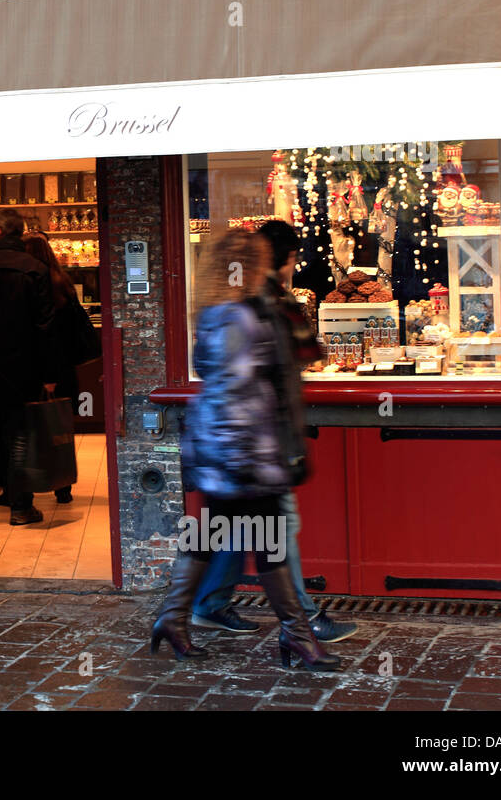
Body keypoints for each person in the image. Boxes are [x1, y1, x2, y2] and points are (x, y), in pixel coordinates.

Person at [151, 229, 339, 671]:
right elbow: (241, 391)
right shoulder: (245, 316)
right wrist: (251, 461)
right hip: (247, 450)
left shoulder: (214, 314)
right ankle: (298, 637)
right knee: (267, 541)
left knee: (210, 535)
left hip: (220, 448)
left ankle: (173, 618)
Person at [190, 220, 357, 643]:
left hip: (228, 451)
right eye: (291, 258)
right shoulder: (261, 307)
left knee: (232, 529)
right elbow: (290, 362)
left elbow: (216, 375)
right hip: (255, 448)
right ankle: (303, 623)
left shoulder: (218, 308)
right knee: (277, 530)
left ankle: (202, 608)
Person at [0, 209, 55, 525]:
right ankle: (20, 506)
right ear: (21, 232)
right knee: (19, 437)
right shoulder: (36, 269)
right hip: (23, 367)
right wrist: (48, 375)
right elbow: (46, 327)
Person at [22, 231, 101, 505]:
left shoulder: (35, 287)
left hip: (40, 369)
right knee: (60, 429)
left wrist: (47, 376)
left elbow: (45, 336)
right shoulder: (63, 282)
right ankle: (62, 486)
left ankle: (28, 488)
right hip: (64, 369)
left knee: (30, 430)